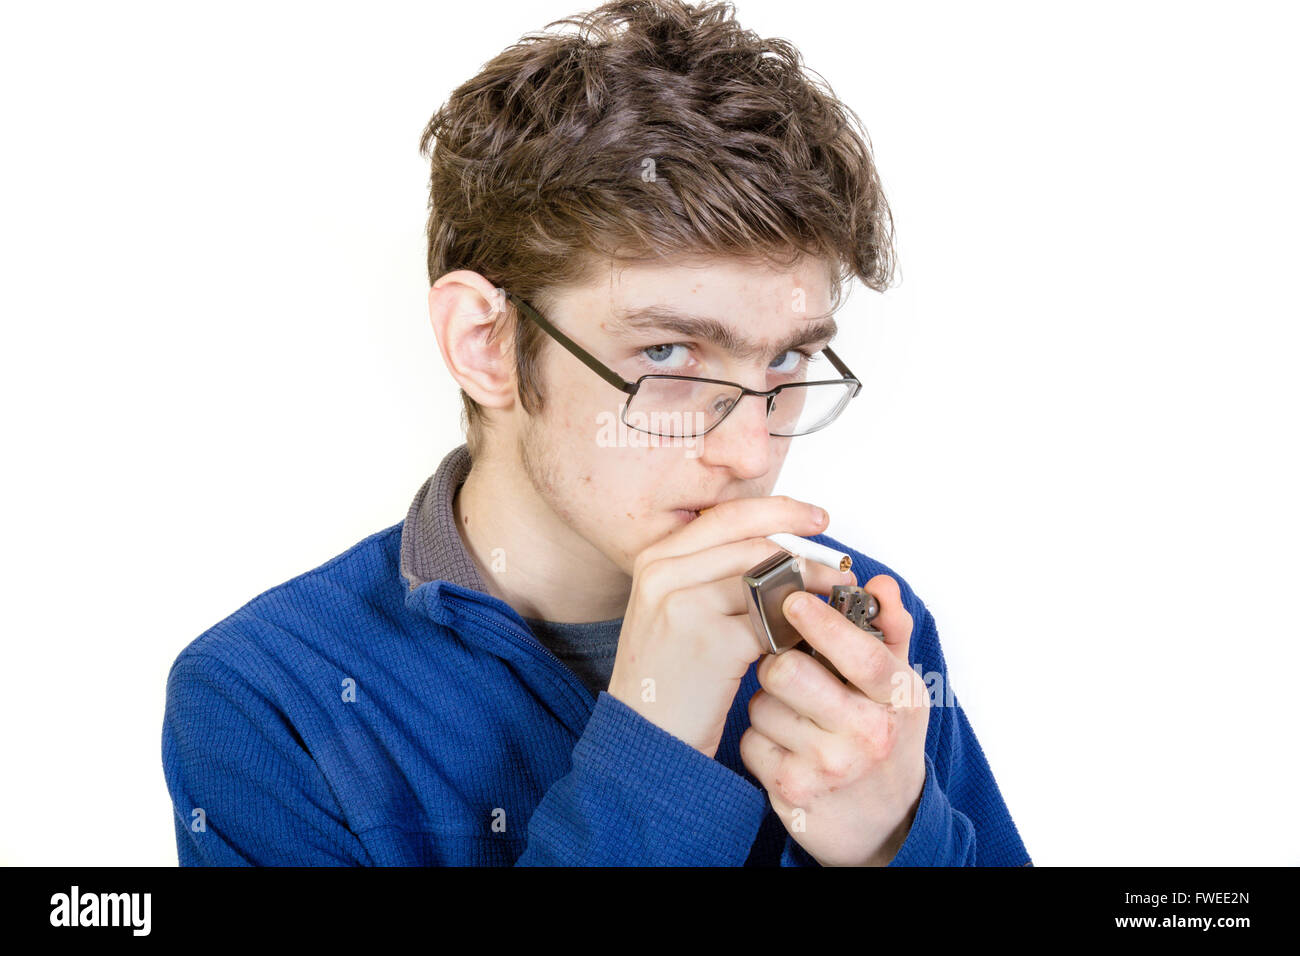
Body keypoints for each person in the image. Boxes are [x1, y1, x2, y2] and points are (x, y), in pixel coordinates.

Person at [161, 0, 1031, 866]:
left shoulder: (862, 626)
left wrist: (895, 843)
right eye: (669, 352)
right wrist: (655, 751)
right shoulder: (264, 698)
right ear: (486, 343)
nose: (751, 453)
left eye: (785, 366)